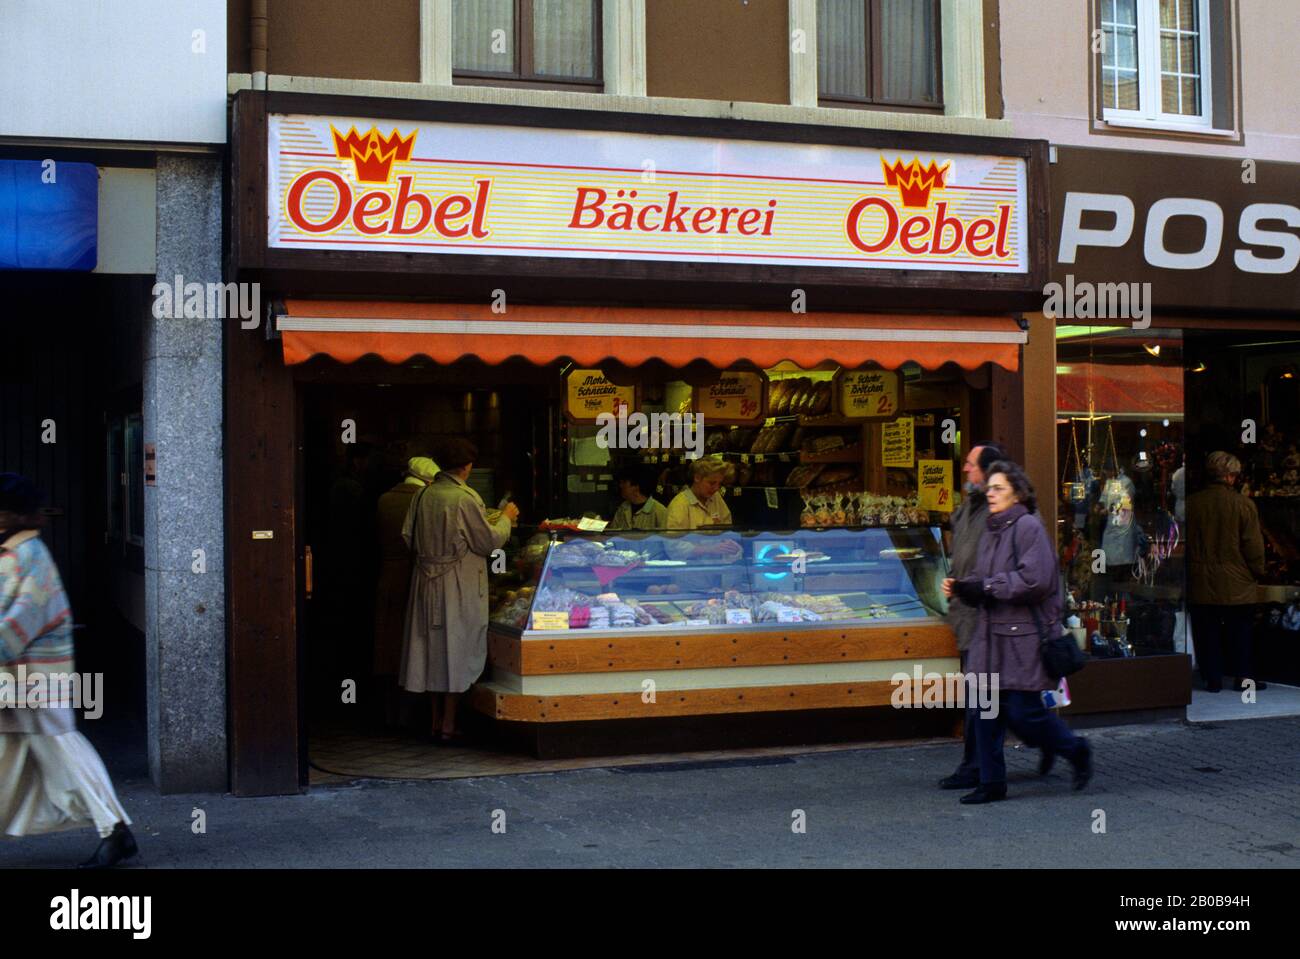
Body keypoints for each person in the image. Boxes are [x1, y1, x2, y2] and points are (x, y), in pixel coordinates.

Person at [0, 473, 136, 867]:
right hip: (19, 678)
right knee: (21, 752)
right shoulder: (14, 553)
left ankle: (115, 830)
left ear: (14, 515)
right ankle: (115, 830)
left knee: (62, 747)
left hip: (35, 677)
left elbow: (19, 623)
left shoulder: (29, 556)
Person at [943, 460, 1092, 804]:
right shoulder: (993, 530)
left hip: (1020, 640)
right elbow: (988, 579)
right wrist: (966, 587)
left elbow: (1036, 580)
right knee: (985, 714)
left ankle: (1076, 750)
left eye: (998, 489)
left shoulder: (1028, 527)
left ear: (1017, 494)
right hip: (990, 637)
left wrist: (987, 588)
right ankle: (992, 783)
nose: (990, 494)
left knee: (1025, 714)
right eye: (989, 488)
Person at [399, 439, 517, 742]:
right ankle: (450, 724)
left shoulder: (423, 495)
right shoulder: (465, 498)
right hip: (457, 584)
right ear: (467, 467)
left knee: (431, 652)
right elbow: (487, 541)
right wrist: (506, 519)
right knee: (455, 650)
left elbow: (408, 537)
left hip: (425, 583)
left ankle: (436, 720)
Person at [937, 441, 1005, 791]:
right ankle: (975, 766)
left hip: (987, 615)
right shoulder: (968, 510)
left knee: (985, 697)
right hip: (967, 613)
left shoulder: (1000, 510)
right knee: (977, 696)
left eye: (970, 464)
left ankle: (982, 770)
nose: (965, 469)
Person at [1186, 451, 1267, 693]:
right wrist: (1258, 571)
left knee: (1206, 631)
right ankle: (1243, 677)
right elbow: (1253, 545)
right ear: (1231, 477)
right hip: (1237, 580)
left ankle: (1213, 679)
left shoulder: (1192, 503)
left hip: (1200, 578)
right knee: (1239, 632)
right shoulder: (1243, 505)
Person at [373, 456, 439, 727]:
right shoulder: (423, 501)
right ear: (428, 480)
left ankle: (387, 711)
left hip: (387, 576)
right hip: (414, 576)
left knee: (386, 646)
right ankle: (411, 714)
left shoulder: (384, 499)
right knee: (414, 646)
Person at [665, 457, 741, 560]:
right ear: (697, 478)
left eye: (719, 484)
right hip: (689, 572)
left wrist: (731, 545)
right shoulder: (679, 504)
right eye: (711, 483)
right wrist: (709, 549)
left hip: (715, 570)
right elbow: (673, 546)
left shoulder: (716, 499)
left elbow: (726, 530)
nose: (716, 488)